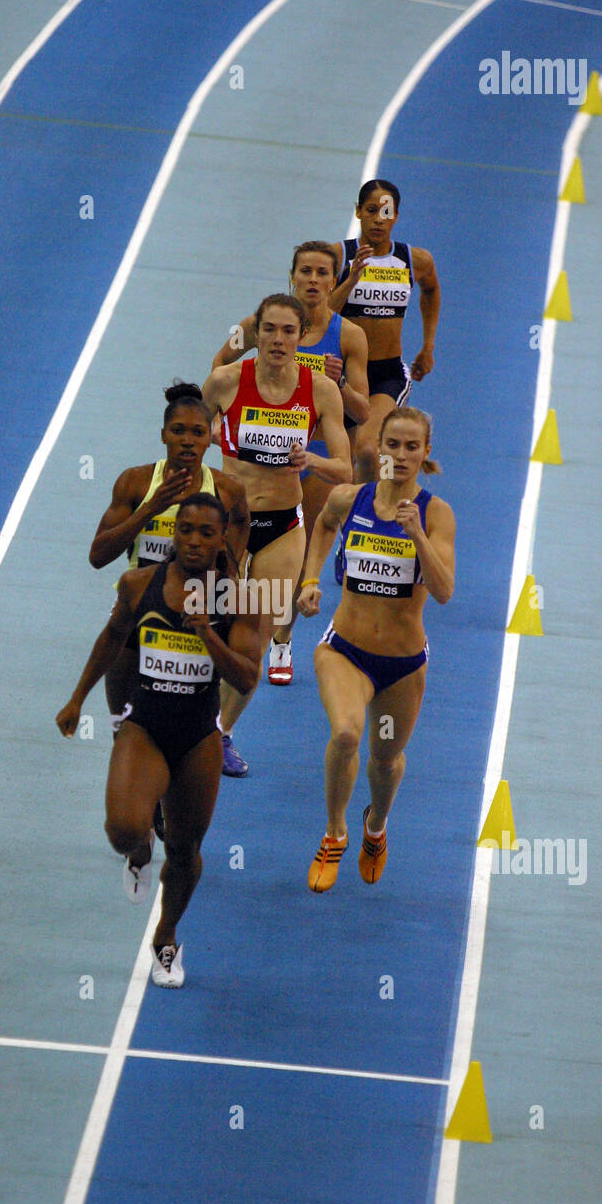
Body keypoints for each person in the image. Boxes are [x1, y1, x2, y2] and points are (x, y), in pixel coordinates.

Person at [56, 494, 262, 986]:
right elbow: (112, 637)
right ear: (174, 534)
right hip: (144, 725)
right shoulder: (138, 583)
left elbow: (247, 676)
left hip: (197, 736)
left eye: (206, 533)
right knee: (123, 829)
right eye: (185, 530)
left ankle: (166, 939)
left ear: (222, 539)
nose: (193, 540)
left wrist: (208, 634)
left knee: (187, 850)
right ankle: (140, 844)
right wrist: (77, 698)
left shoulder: (242, 599)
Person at [296, 407, 455, 892]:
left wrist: (417, 537)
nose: (401, 455)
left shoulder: (436, 514)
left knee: (385, 759)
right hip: (344, 648)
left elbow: (444, 590)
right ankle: (335, 832)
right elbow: (322, 524)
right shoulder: (349, 498)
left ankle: (375, 827)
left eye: (412, 447)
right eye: (393, 445)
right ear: (379, 449)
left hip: (403, 666)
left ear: (426, 453)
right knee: (346, 734)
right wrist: (309, 579)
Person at [89, 381, 249, 859]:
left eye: (196, 432)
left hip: (193, 624)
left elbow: (233, 571)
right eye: (177, 431)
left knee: (181, 721)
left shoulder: (228, 490)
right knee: (125, 726)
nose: (186, 440)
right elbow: (99, 555)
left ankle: (169, 806)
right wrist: (151, 510)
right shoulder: (136, 483)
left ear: (209, 438)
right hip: (135, 621)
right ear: (163, 435)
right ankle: (138, 821)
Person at [202, 293, 352, 776]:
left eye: (290, 331)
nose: (279, 340)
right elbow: (187, 436)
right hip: (227, 527)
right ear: (256, 333)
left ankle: (221, 732)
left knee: (255, 641)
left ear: (301, 335)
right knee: (207, 626)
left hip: (282, 528)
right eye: (270, 330)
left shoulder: (321, 390)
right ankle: (190, 717)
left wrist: (310, 459)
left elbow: (345, 467)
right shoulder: (225, 382)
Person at [211, 242, 370, 685]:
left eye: (323, 273)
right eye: (306, 271)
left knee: (300, 558)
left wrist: (336, 383)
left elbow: (361, 412)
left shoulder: (349, 335)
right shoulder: (259, 324)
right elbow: (219, 365)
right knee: (225, 591)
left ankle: (281, 639)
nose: (314, 280)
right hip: (248, 469)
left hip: (310, 460)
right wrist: (219, 421)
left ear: (334, 280)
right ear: (292, 275)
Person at [329, 180, 441, 483]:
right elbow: (317, 314)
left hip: (385, 375)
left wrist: (427, 346)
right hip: (341, 374)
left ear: (397, 217)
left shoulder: (414, 260)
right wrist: (350, 281)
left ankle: (366, 520)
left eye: (387, 212)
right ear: (358, 212)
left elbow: (430, 289)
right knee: (334, 462)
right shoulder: (338, 257)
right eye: (371, 210)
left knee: (367, 449)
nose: (379, 219)